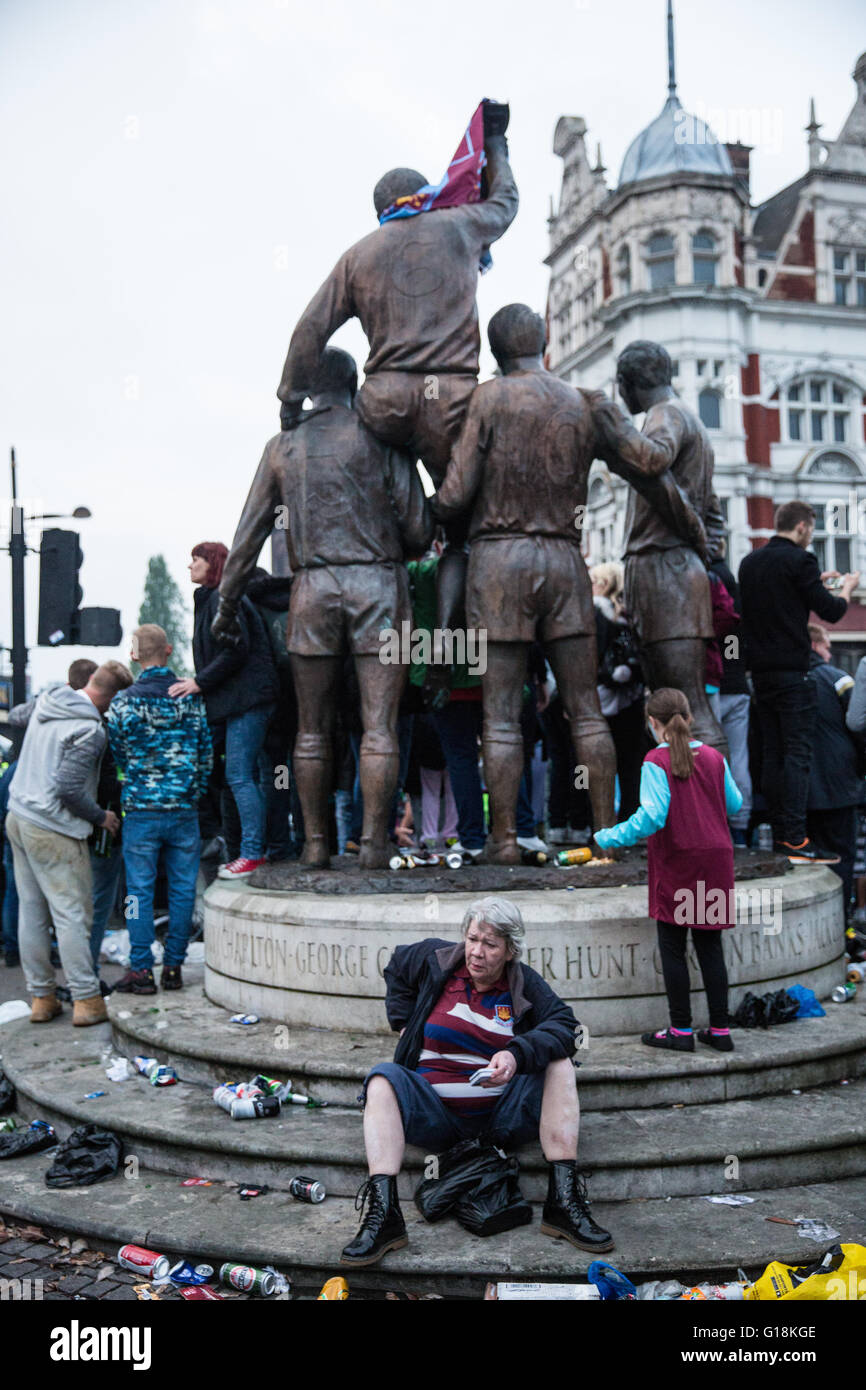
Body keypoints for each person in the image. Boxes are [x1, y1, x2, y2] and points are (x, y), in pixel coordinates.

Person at [276, 102, 517, 687]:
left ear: (378, 210)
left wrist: (289, 400)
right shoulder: (461, 225)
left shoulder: (358, 255)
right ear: (427, 196)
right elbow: (507, 204)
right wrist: (500, 147)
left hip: (383, 404)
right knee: (459, 530)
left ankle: (390, 631)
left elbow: (309, 331)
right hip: (452, 399)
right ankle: (448, 642)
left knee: (390, 529)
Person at [212, 348, 432, 869]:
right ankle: (375, 845)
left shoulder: (282, 448)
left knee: (310, 729)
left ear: (310, 389)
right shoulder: (384, 441)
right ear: (355, 385)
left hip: (311, 589)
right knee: (379, 725)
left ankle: (314, 846)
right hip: (377, 585)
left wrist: (225, 606)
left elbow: (246, 539)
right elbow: (421, 531)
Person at [433, 304, 616, 860]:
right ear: (547, 340)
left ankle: (505, 839)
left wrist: (428, 507)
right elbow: (643, 461)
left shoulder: (488, 398)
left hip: (499, 562)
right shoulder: (584, 401)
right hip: (566, 559)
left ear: (495, 351)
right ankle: (606, 840)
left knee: (500, 715)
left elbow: (457, 494)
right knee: (586, 710)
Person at [341, 896, 613, 1268]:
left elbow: (567, 1028)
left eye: (490, 944)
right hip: (435, 1114)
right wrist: (404, 1023)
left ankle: (563, 1204)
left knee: (561, 1063)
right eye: (472, 939)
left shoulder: (522, 983)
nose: (477, 952)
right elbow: (396, 968)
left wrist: (516, 1054)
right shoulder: (435, 961)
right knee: (381, 1079)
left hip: (500, 1120)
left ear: (510, 950)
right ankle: (384, 1216)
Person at [592, 341, 727, 755]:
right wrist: (702, 548)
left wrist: (610, 431)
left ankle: (711, 812)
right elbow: (714, 514)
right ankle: (697, 809)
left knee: (683, 705)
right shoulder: (688, 418)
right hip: (671, 569)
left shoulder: (665, 415)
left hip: (666, 571)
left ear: (629, 383)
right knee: (677, 703)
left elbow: (650, 461)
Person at [594, 688, 742, 1054]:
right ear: (690, 719)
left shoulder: (654, 761)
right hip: (716, 860)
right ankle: (721, 1030)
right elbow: (735, 803)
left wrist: (610, 835)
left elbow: (653, 816)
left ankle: (680, 1030)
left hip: (678, 861)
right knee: (710, 946)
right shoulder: (713, 757)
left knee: (673, 947)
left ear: (652, 723)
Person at [5, 661, 133, 1026]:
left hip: (19, 815)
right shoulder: (90, 729)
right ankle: (86, 999)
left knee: (31, 911)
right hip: (53, 828)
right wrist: (101, 817)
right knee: (72, 914)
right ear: (112, 696)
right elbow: (68, 788)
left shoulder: (48, 700)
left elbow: (16, 715)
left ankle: (42, 998)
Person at [738, 500, 859, 862]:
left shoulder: (750, 563)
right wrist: (846, 587)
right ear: (804, 527)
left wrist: (812, 585)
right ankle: (795, 838)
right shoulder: (800, 560)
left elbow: (775, 601)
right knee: (797, 755)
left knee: (773, 754)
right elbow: (833, 611)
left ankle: (780, 836)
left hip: (760, 673)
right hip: (793, 671)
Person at [107, 625, 213, 995]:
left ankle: (140, 968)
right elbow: (205, 755)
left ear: (133, 655)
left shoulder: (123, 702)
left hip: (140, 809)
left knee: (138, 892)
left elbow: (118, 753)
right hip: (183, 808)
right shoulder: (189, 698)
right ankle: (173, 966)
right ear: (168, 650)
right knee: (184, 890)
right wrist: (192, 792)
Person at [172, 542, 279, 879]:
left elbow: (236, 650)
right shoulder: (216, 600)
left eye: (196, 559)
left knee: (239, 776)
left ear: (213, 564)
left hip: (246, 700)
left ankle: (251, 854)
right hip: (243, 700)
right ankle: (255, 851)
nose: (190, 565)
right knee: (254, 777)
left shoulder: (223, 600)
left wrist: (199, 682)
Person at [805, 624, 862, 912]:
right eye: (828, 647)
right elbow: (860, 724)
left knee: (807, 865)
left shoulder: (785, 684)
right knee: (842, 859)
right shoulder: (838, 678)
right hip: (839, 788)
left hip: (799, 795)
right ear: (816, 646)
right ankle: (839, 926)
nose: (829, 654)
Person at [709, 541, 752, 846]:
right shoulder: (736, 589)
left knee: (709, 756)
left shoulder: (702, 579)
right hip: (737, 685)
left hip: (710, 681)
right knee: (738, 758)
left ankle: (712, 822)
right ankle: (738, 824)